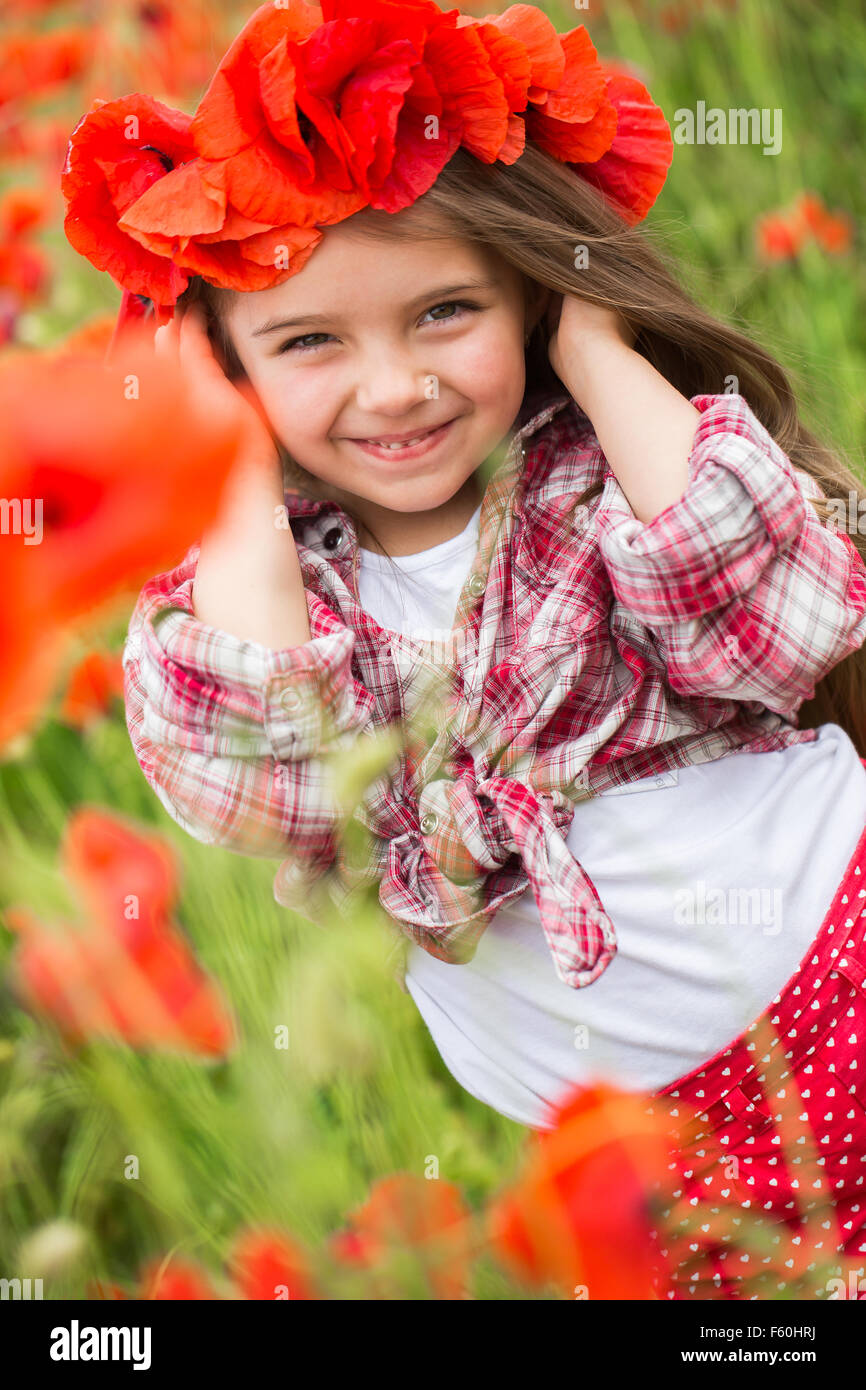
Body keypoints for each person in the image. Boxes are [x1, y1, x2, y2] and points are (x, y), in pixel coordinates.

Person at [63, 0, 866, 1298]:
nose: (392, 388)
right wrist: (217, 458)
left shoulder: (593, 476)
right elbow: (268, 784)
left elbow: (776, 619)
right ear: (223, 365)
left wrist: (596, 342)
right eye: (308, 341)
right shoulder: (270, 589)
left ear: (531, 295)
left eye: (444, 313)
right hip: (636, 1152)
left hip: (846, 964)